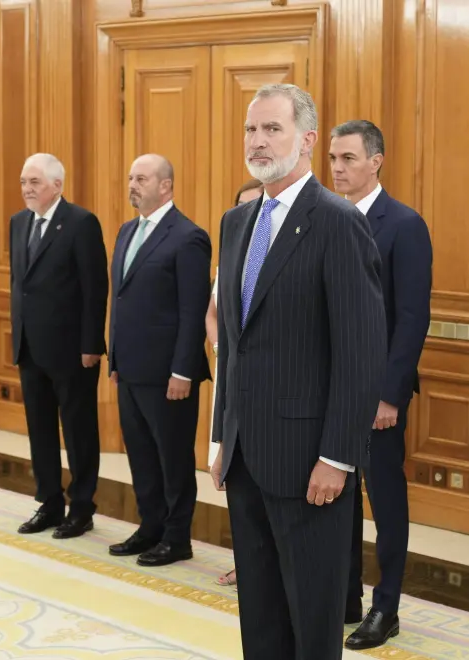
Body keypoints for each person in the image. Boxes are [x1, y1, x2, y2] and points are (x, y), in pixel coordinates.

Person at [210, 83, 386, 660]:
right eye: (250, 129)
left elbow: (360, 354)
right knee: (259, 616)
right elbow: (236, 345)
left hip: (311, 461)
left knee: (311, 619)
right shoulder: (235, 222)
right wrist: (221, 436)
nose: (257, 142)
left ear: (307, 139)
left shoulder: (337, 222)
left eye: (272, 129)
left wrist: (337, 456)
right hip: (245, 457)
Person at [330, 120, 432, 650]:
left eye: (348, 158)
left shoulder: (404, 225)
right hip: (329, 390)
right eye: (333, 159)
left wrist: (390, 395)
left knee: (384, 502)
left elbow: (412, 318)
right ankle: (343, 596)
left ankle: (384, 606)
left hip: (377, 396)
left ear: (376, 161)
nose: (338, 169)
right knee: (335, 496)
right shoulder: (324, 219)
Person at [107, 154, 211, 567]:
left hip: (170, 374)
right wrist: (115, 357)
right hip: (131, 370)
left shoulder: (188, 237)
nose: (133, 184)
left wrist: (183, 369)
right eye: (131, 177)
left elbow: (193, 311)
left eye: (142, 178)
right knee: (141, 455)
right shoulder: (126, 230)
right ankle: (149, 526)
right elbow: (122, 300)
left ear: (166, 185)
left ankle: (176, 537)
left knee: (172, 459)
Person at [9, 153, 108, 539]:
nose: (27, 189)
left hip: (72, 349)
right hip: (30, 346)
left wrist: (91, 345)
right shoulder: (19, 223)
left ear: (57, 185)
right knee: (40, 429)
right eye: (23, 182)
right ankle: (49, 503)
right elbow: (20, 283)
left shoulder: (81, 223)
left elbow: (94, 289)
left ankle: (81, 507)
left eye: (34, 182)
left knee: (79, 431)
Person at [208, 178, 263, 588]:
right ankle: (244, 562)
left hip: (274, 397)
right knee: (237, 486)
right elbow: (217, 316)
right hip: (233, 385)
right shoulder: (231, 247)